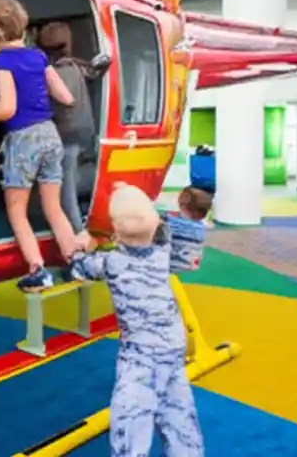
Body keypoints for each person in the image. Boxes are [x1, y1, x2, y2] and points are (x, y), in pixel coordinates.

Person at [68, 182, 204, 457]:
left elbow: (79, 267)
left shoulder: (111, 263)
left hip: (140, 356)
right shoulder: (162, 251)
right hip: (172, 348)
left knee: (131, 416)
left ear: (115, 233)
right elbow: (164, 226)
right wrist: (134, 193)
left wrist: (81, 247)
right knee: (177, 411)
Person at [0, 0, 87, 292]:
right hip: (50, 134)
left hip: (23, 139)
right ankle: (75, 261)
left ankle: (38, 270)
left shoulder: (2, 61)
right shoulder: (38, 57)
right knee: (54, 207)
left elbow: (6, 108)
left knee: (16, 210)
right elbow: (66, 97)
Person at [38, 21, 111, 232]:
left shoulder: (52, 73)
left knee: (65, 192)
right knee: (70, 181)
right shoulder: (76, 67)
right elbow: (98, 69)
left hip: (66, 134)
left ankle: (77, 235)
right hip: (85, 130)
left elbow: (60, 100)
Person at [157, 186, 212, 273]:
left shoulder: (173, 222)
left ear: (182, 205)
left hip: (173, 265)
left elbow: (160, 221)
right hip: (191, 265)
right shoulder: (202, 226)